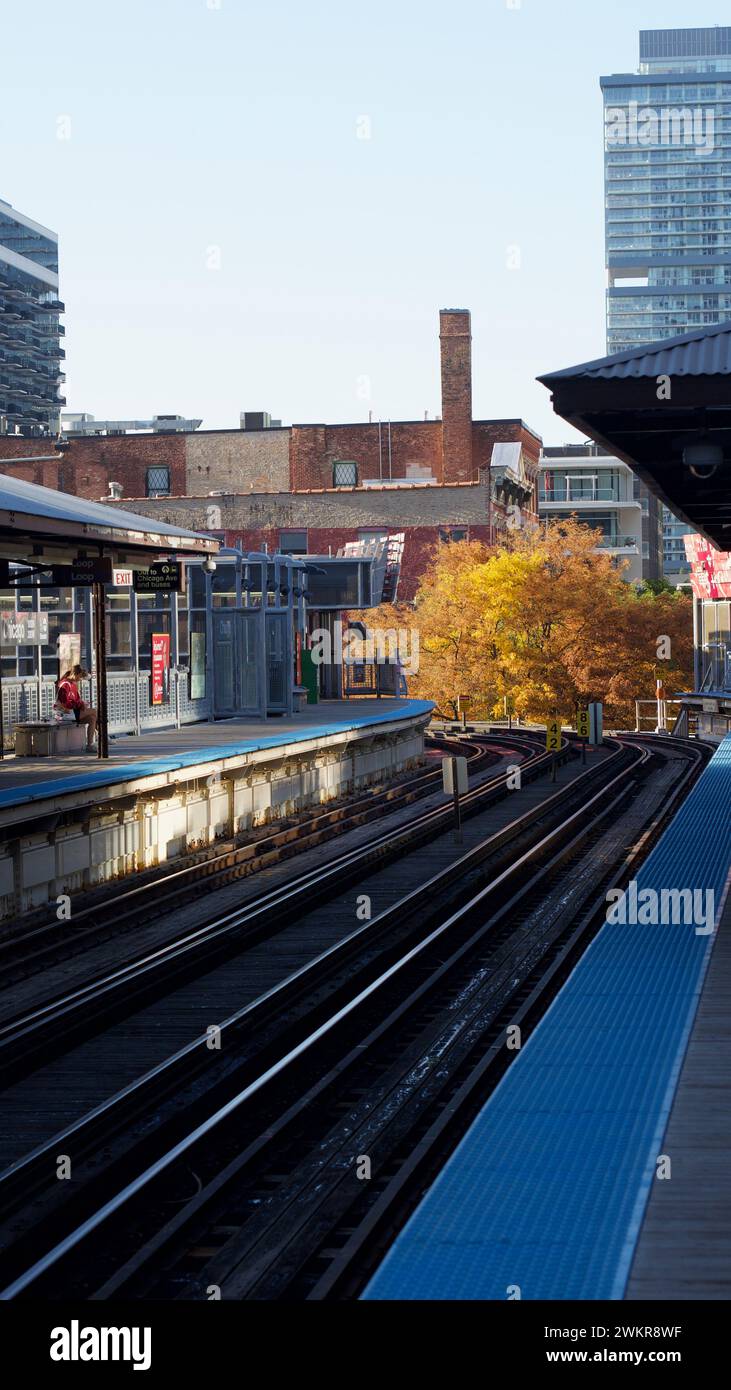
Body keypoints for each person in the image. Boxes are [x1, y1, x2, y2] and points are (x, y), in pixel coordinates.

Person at [56, 665, 98, 751]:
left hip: (72, 712)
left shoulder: (73, 685)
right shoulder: (65, 684)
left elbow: (76, 700)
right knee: (94, 711)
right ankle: (103, 735)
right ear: (75, 674)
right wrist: (81, 704)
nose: (80, 680)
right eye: (80, 677)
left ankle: (90, 744)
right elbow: (65, 703)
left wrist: (83, 703)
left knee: (92, 718)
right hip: (64, 713)